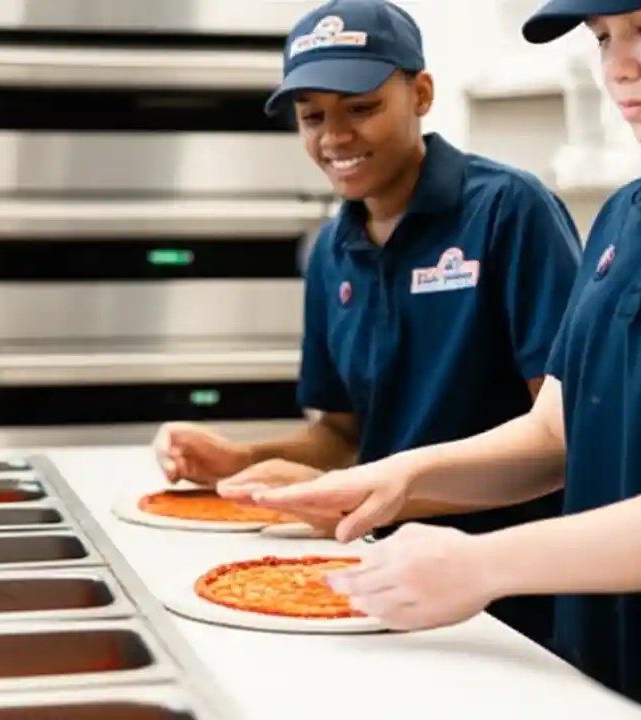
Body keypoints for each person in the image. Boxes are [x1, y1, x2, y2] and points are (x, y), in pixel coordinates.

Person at [242, 0, 641, 717]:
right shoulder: (628, 216)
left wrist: (483, 564)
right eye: (603, 38)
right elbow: (553, 437)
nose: (617, 67)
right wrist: (393, 481)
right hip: (582, 683)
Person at [151, 0, 583, 647]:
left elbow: (558, 439)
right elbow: (343, 434)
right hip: (375, 572)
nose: (335, 137)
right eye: (312, 117)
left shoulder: (507, 210)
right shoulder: (332, 249)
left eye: (361, 108)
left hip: (507, 591)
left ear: (422, 93)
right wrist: (240, 459)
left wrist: (347, 492)